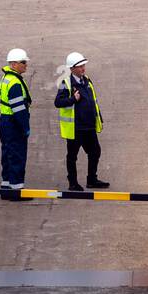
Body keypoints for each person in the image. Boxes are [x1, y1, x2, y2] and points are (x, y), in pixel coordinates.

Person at [54, 52, 109, 192]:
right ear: (71, 69)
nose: (83, 68)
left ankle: (92, 179)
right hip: (76, 128)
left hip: (89, 126)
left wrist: (98, 117)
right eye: (79, 66)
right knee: (72, 156)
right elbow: (58, 102)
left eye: (83, 65)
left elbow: (93, 101)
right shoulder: (65, 83)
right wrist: (73, 99)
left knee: (95, 152)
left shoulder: (87, 80)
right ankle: (73, 183)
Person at [0, 47, 33, 200]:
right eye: (23, 62)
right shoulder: (15, 84)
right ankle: (16, 191)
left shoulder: (7, 78)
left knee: (7, 154)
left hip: (5, 121)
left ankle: (6, 187)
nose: (26, 65)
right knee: (17, 155)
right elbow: (19, 109)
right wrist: (25, 127)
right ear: (13, 64)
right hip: (13, 123)